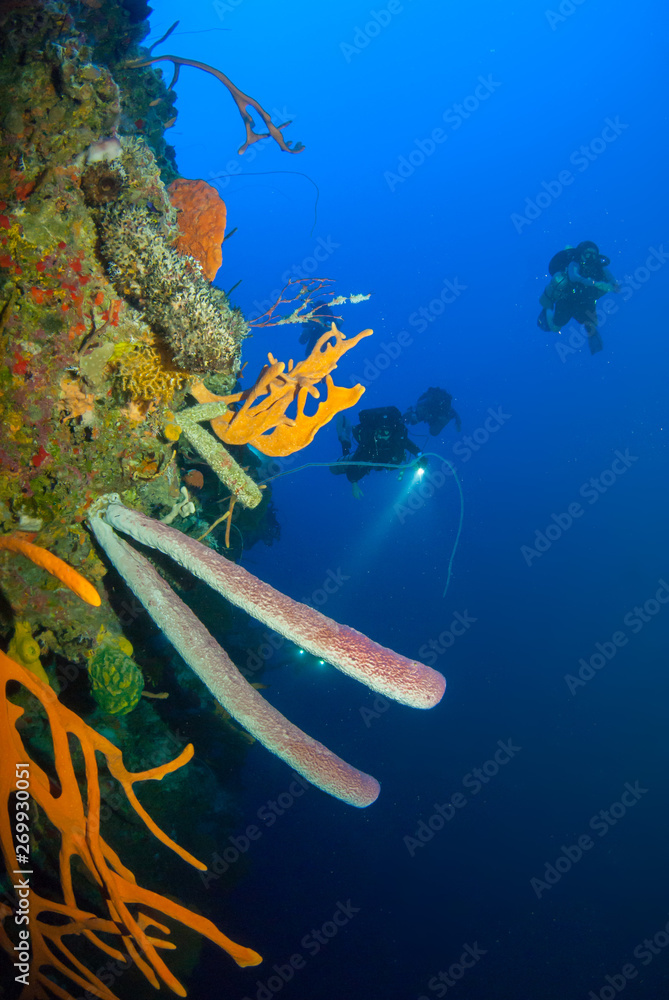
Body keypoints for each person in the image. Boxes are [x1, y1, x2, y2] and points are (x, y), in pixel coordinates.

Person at [537, 241, 620, 354]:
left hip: (586, 300)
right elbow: (573, 277)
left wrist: (614, 286)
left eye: (593, 254)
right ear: (581, 254)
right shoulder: (575, 264)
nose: (590, 257)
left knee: (592, 324)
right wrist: (596, 284)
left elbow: (613, 281)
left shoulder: (600, 268)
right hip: (567, 299)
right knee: (556, 328)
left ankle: (593, 338)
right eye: (587, 254)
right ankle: (548, 307)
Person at [330, 406, 422, 487]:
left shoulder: (398, 440)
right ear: (375, 432)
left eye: (386, 432)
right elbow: (352, 469)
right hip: (371, 460)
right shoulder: (369, 444)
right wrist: (354, 483)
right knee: (339, 467)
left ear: (391, 433)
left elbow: (417, 452)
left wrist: (419, 461)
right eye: (380, 432)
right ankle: (344, 440)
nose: (382, 436)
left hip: (385, 462)